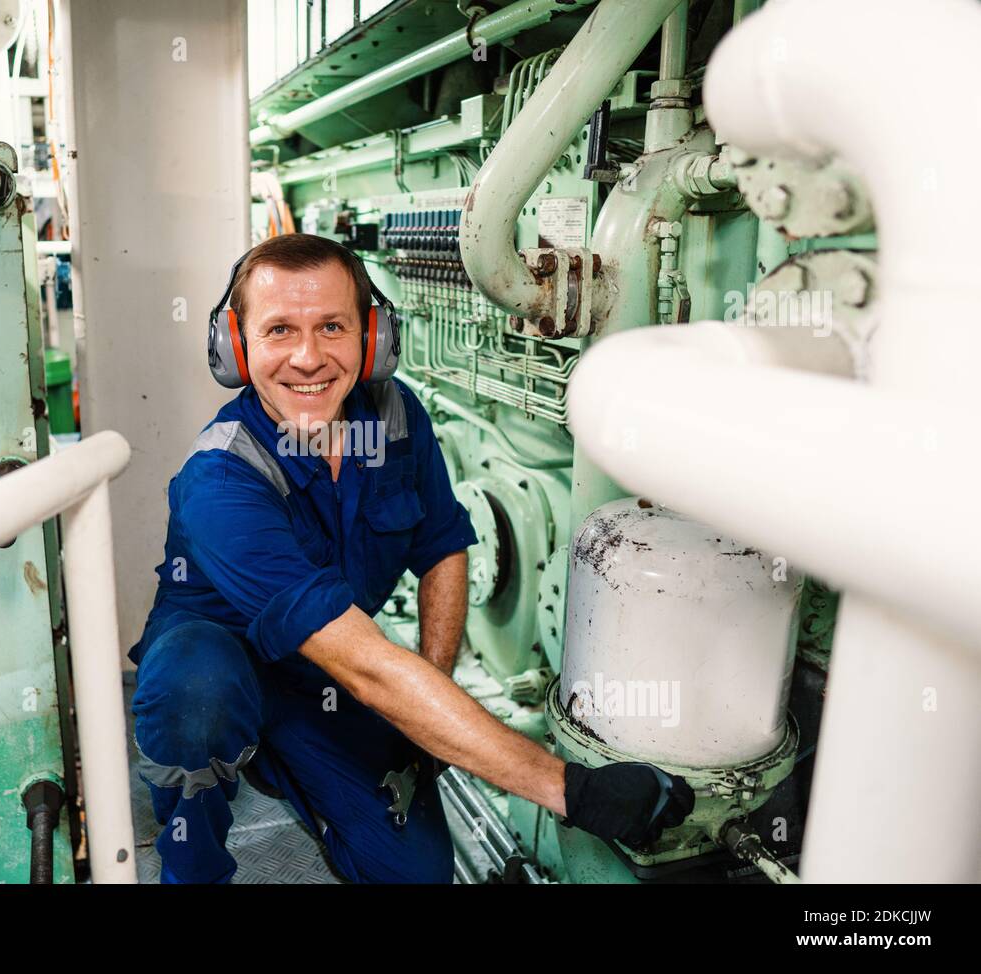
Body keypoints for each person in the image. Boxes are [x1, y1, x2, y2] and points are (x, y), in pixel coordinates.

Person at [127, 233, 693, 883]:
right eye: (279, 329)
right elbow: (367, 665)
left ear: (373, 336)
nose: (308, 358)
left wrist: (431, 696)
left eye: (332, 327)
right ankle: (192, 870)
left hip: (323, 682)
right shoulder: (221, 478)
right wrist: (573, 790)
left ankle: (301, 764)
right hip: (232, 669)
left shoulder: (394, 420)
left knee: (416, 874)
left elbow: (443, 548)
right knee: (191, 687)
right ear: (235, 346)